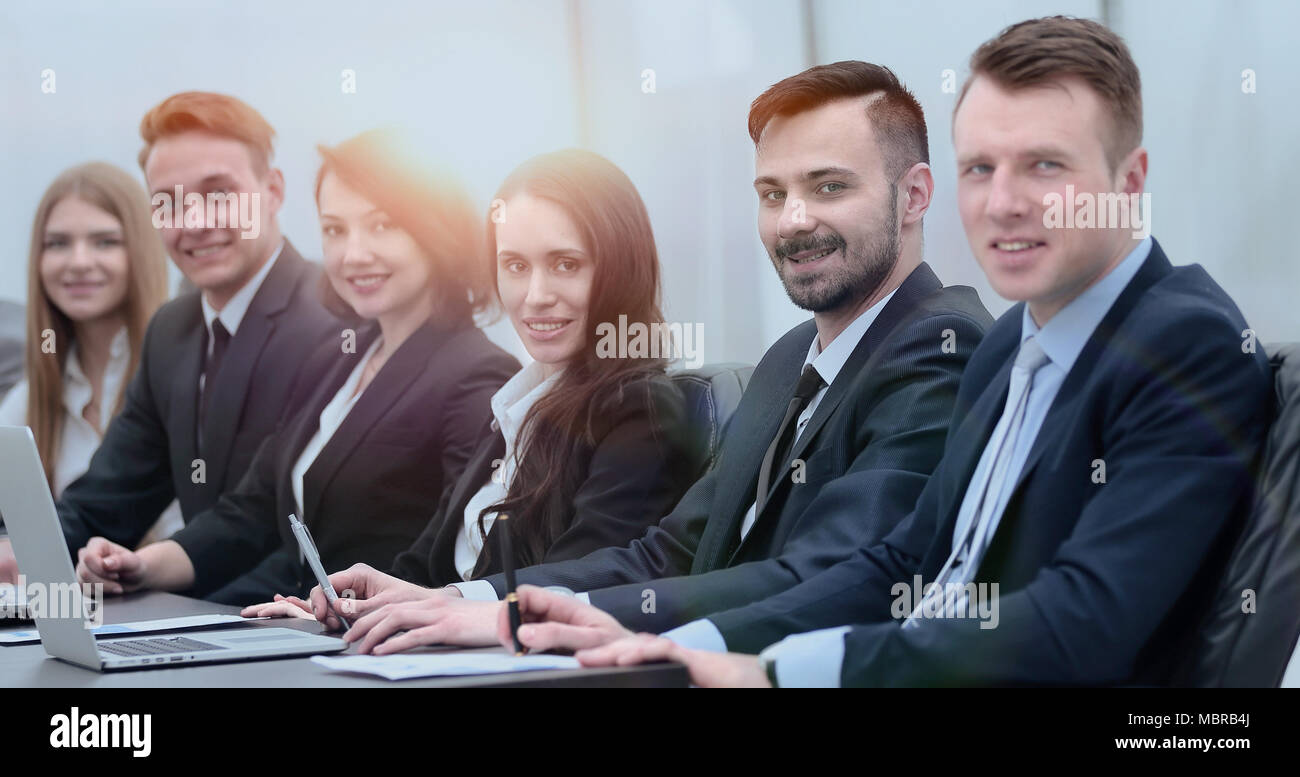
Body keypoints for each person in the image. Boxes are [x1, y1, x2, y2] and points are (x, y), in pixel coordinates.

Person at [541, 16, 1274, 687]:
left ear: (1131, 182)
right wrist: (700, 644)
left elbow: (1080, 620)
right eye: (981, 168)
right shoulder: (1012, 345)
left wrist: (780, 673)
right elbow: (899, 562)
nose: (1003, 201)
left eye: (1045, 166)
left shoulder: (1183, 341)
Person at [293, 62, 995, 655]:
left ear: (915, 196)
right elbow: (666, 552)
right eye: (772, 193)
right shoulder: (791, 357)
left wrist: (517, 618)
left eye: (829, 186)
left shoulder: (941, 345)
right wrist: (458, 600)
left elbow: (828, 573)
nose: (793, 219)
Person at [244, 149, 703, 622]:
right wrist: (356, 609)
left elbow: (582, 580)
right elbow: (428, 568)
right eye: (516, 266)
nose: (535, 296)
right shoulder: (515, 405)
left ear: (620, 268)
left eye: (566, 264)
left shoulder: (637, 407)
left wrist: (448, 605)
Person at [74, 130, 519, 605]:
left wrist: (333, 610)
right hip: (299, 629)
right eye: (334, 230)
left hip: (376, 647)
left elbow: (452, 553)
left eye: (383, 226)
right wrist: (145, 566)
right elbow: (254, 509)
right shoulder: (341, 357)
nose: (353, 254)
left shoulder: (477, 375)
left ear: (436, 231)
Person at [0, 92, 340, 585]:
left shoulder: (334, 320)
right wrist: (18, 552)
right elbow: (108, 497)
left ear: (273, 191)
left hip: (281, 624)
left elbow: (282, 524)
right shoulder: (172, 331)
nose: (195, 223)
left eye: (219, 195)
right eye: (169, 202)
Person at [0, 162, 181, 545]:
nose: (78, 262)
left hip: (195, 601)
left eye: (105, 242)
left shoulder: (186, 380)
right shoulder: (28, 403)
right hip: (83, 603)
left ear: (142, 252)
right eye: (58, 243)